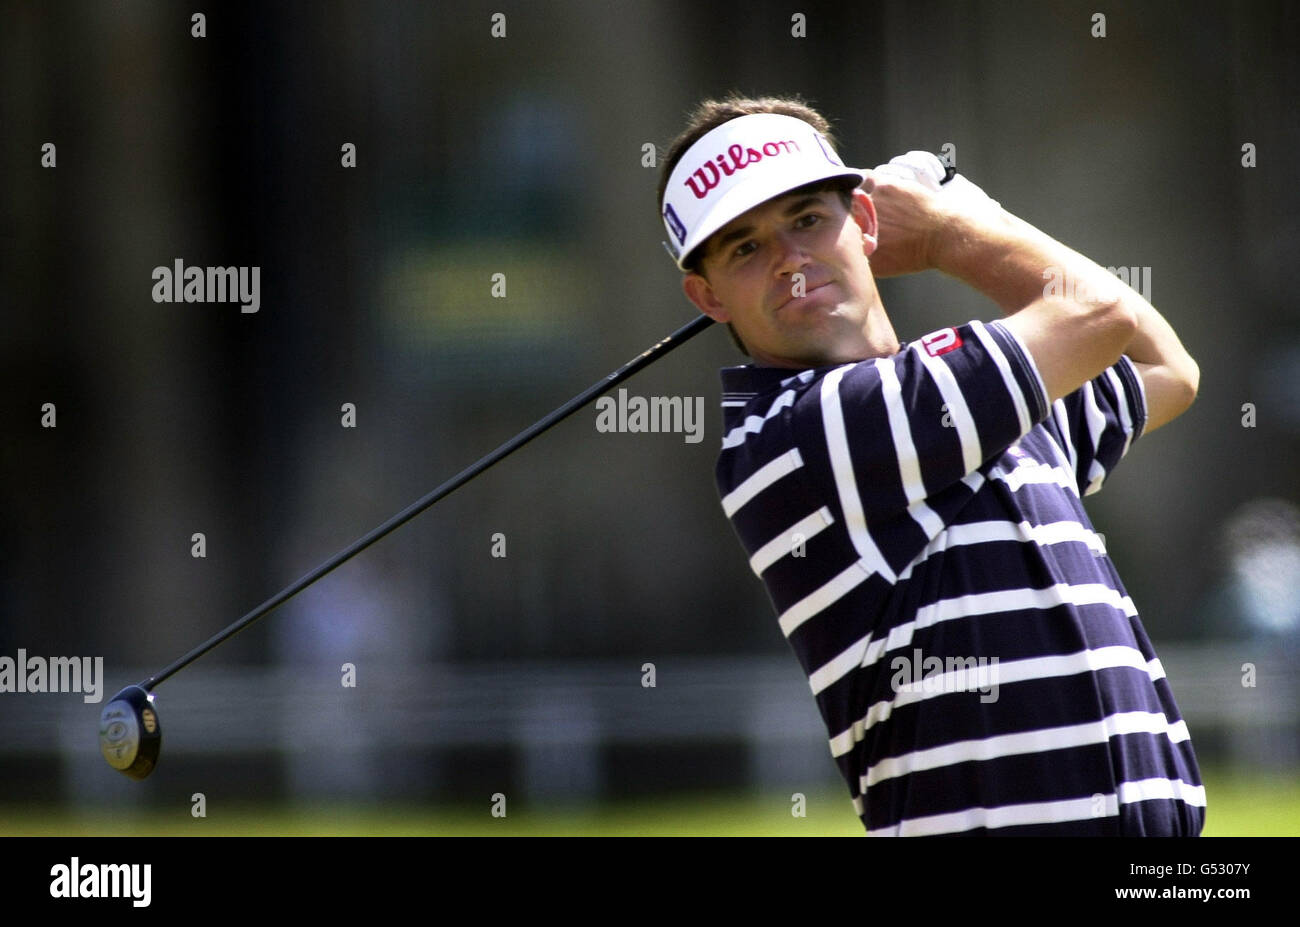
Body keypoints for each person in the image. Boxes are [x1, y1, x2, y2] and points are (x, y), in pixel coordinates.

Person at [658, 95, 1204, 835]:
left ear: (865, 224)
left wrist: (974, 226)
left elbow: (1165, 366)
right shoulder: (802, 430)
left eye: (809, 218)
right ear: (706, 295)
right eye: (744, 248)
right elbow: (1100, 315)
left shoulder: (975, 395)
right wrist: (956, 228)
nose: (789, 259)